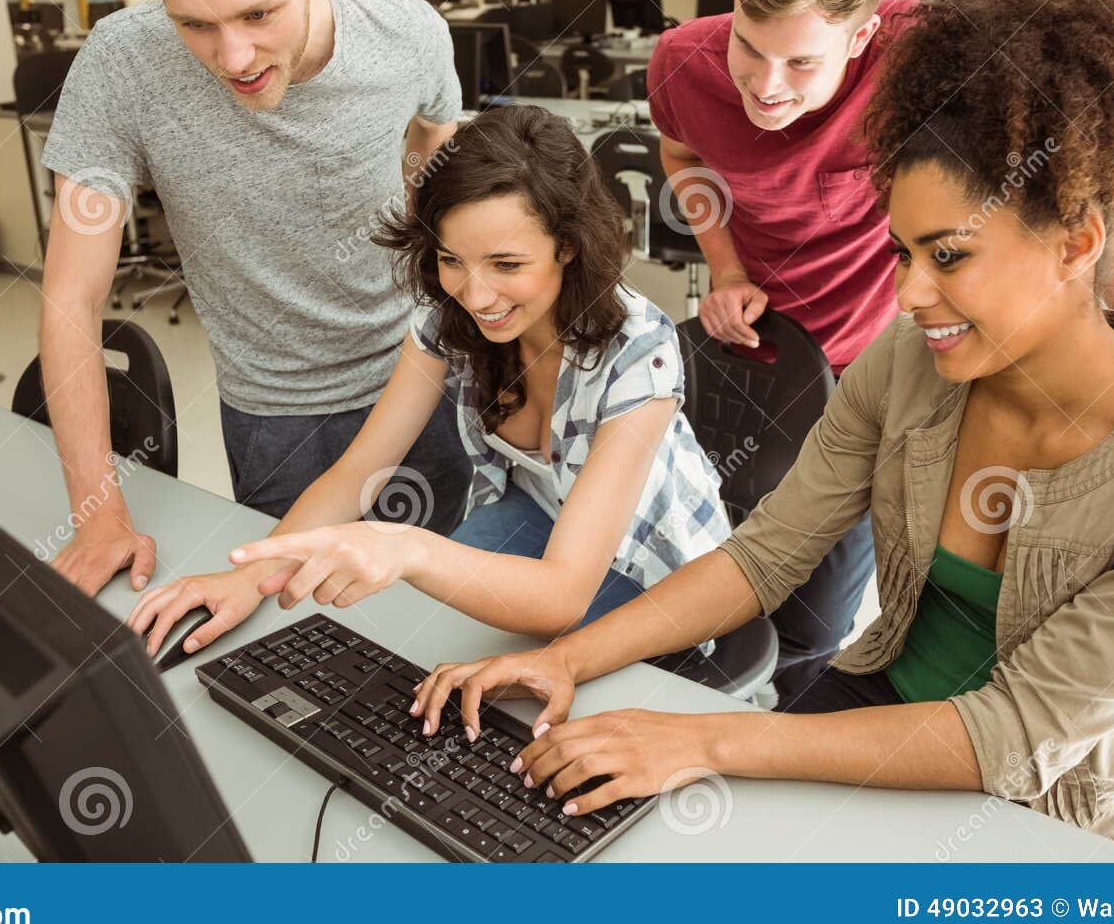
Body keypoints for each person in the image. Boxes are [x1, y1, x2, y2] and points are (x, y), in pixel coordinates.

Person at [408, 0, 1114, 848]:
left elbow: (1017, 735)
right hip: (878, 704)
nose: (907, 295)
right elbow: (764, 556)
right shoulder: (906, 365)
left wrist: (706, 736)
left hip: (1050, 803)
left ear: (1077, 241)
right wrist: (566, 656)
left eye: (948, 256)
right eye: (900, 251)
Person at [646, 0, 1114, 700]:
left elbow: (1098, 188)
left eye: (802, 63)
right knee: (742, 562)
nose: (767, 85)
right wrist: (724, 265)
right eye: (751, 49)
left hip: (890, 350)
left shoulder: (925, 54)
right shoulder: (684, 63)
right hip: (768, 346)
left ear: (861, 37)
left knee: (822, 618)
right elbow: (681, 153)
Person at [37, 0, 470, 598]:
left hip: (422, 381)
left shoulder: (407, 36)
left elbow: (438, 132)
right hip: (274, 417)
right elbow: (72, 295)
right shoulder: (120, 63)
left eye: (258, 14)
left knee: (434, 628)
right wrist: (96, 515)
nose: (233, 58)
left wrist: (422, 233)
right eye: (194, 24)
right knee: (298, 639)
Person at [128, 105, 730, 659]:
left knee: (488, 671)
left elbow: (561, 596)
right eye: (451, 261)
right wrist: (248, 579)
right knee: (421, 644)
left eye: (507, 264)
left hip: (650, 566)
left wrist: (409, 547)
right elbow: (358, 472)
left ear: (568, 247)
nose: (476, 296)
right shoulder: (449, 318)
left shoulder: (640, 352)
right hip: (540, 513)